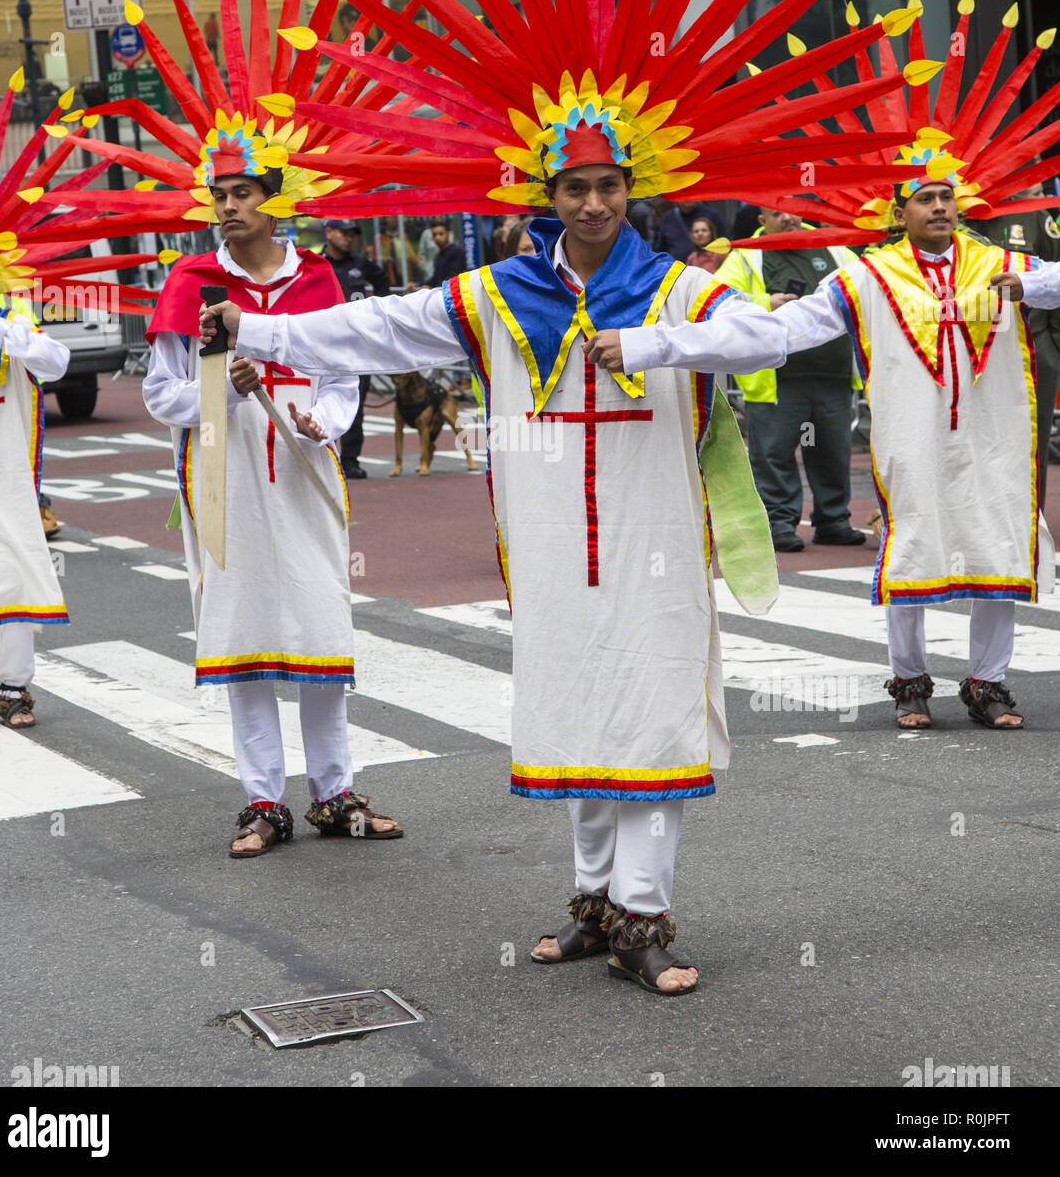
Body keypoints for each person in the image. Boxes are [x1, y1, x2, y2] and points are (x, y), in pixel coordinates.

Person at [203, 144, 793, 991]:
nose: (595, 205)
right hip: (551, 552)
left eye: (610, 187)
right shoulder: (500, 293)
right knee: (580, 716)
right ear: (546, 197)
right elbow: (381, 326)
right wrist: (258, 327)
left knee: (656, 722)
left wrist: (655, 343)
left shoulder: (681, 288)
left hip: (654, 553)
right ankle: (596, 905)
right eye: (576, 189)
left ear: (633, 191)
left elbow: (762, 340)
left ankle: (643, 915)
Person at [609, 171, 1047, 734]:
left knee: (996, 542)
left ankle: (987, 681)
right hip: (912, 442)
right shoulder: (867, 277)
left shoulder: (1001, 266)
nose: (939, 207)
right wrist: (654, 344)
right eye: (924, 199)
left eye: (946, 197)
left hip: (993, 442)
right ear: (898, 212)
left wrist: (1031, 287)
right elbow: (780, 331)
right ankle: (909, 682)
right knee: (911, 547)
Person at [145, 171, 402, 855]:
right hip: (224, 480)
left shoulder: (318, 281)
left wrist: (322, 421)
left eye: (243, 193)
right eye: (219, 194)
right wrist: (222, 391)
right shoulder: (192, 283)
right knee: (243, 632)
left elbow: (343, 380)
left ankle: (333, 793)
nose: (228, 207)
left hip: (304, 473)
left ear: (275, 201)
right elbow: (161, 395)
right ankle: (262, 803)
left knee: (320, 625)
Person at [0, 264, 70, 731]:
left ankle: (12, 687)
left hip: (9, 478)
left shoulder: (12, 326)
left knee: (19, 571)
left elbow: (57, 362)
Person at [715, 208, 863, 551]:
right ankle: (779, 523)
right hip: (776, 381)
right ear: (762, 218)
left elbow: (864, 286)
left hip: (833, 374)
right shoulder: (746, 255)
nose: (789, 218)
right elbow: (720, 297)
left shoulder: (834, 247)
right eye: (778, 212)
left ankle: (833, 521)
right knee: (773, 455)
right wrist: (766, 302)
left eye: (795, 210)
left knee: (832, 452)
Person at [969, 183, 1060, 502]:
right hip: (964, 353)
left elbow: (1056, 269)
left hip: (1030, 350)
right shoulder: (952, 218)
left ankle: (1028, 521)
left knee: (1028, 441)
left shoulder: (1034, 216)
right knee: (966, 443)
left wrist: (1051, 348)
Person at [320, 217, 390, 479]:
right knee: (323, 399)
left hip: (359, 346)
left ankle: (350, 461)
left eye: (352, 233)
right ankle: (327, 457)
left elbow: (381, 280)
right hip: (325, 343)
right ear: (329, 232)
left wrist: (377, 307)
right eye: (343, 232)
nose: (348, 237)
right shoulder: (317, 263)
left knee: (355, 403)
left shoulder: (360, 263)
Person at [422, 219, 466, 288]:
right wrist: (418, 285)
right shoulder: (437, 256)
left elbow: (453, 277)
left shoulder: (457, 251)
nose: (438, 237)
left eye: (441, 234)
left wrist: (432, 287)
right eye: (434, 235)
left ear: (448, 234)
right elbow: (435, 278)